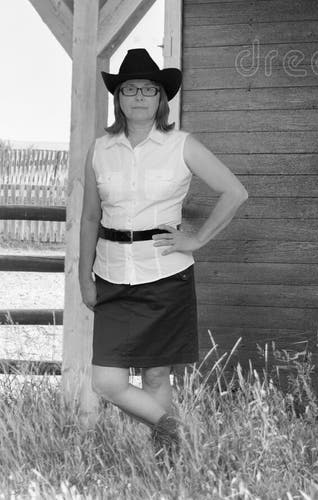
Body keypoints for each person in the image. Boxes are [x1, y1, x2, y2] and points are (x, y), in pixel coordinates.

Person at [78, 48, 248, 455]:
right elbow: (89, 219)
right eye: (129, 88)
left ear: (161, 99)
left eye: (148, 89)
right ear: (117, 97)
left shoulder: (181, 144)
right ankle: (183, 432)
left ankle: (167, 461)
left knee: (156, 376)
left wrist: (197, 239)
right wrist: (85, 276)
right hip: (113, 277)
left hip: (166, 277)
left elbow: (235, 192)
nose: (138, 96)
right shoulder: (99, 150)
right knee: (107, 381)